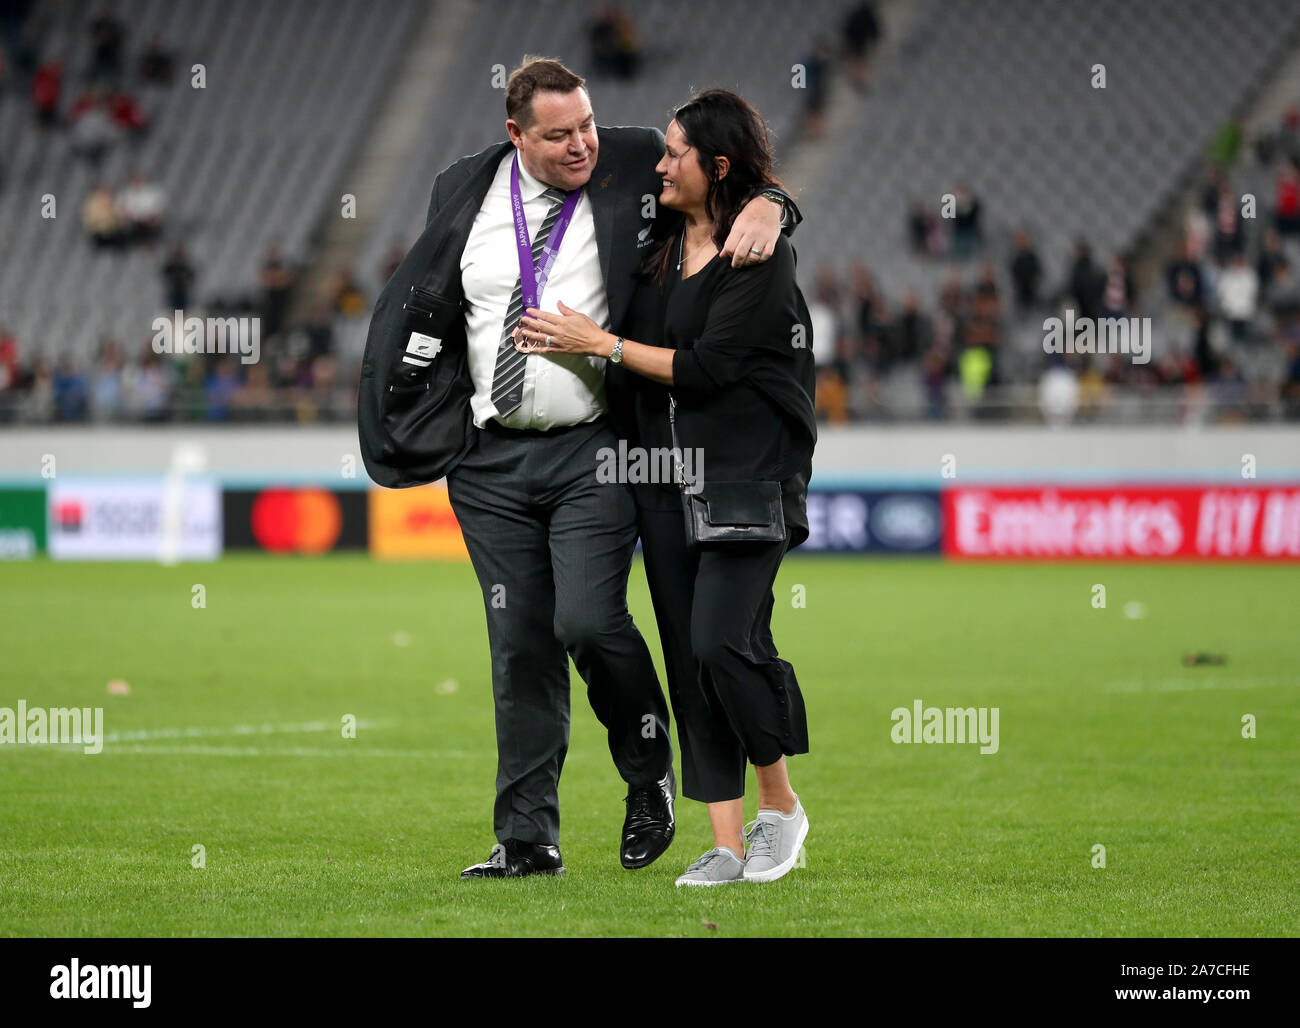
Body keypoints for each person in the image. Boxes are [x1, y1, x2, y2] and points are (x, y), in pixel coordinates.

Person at [357, 58, 800, 879]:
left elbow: (732, 170)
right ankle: (527, 841)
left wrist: (777, 204)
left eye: (587, 125)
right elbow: (430, 304)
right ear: (514, 135)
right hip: (487, 458)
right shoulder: (460, 187)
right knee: (519, 644)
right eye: (558, 134)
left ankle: (648, 776)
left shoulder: (631, 159)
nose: (580, 145)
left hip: (593, 447)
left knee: (587, 622)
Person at [516, 89, 815, 886]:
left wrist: (600, 343)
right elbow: (575, 148)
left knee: (724, 641)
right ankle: (722, 841)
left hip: (749, 480)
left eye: (674, 153)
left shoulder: (759, 252)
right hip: (661, 480)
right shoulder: (655, 237)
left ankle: (780, 807)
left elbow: (711, 369)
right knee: (689, 662)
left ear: (715, 166)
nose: (656, 164)